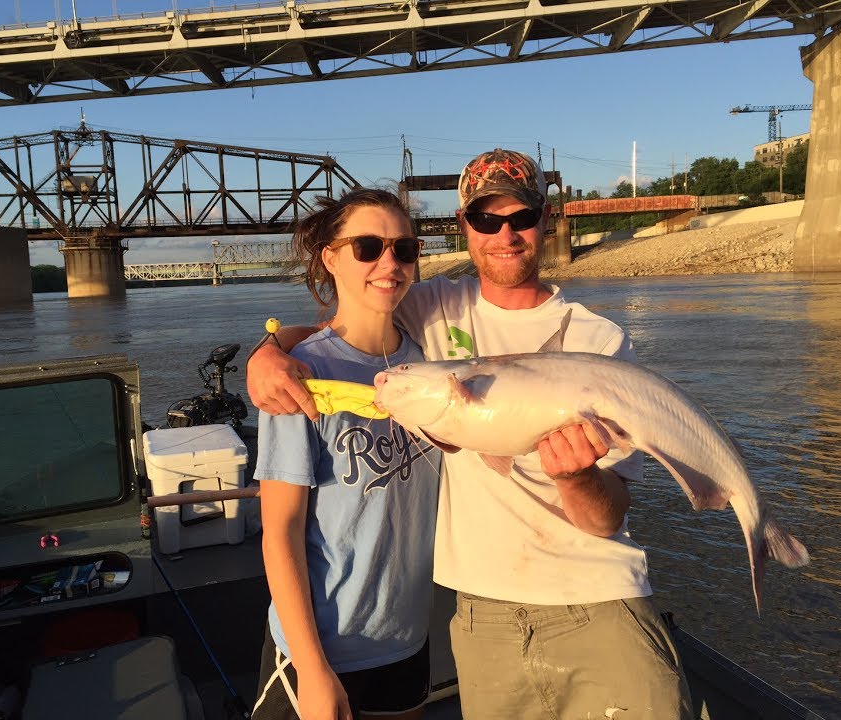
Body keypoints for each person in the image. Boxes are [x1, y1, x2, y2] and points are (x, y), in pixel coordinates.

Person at [247, 149, 694, 720]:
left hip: (579, 601)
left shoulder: (595, 340)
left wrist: (577, 474)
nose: (505, 233)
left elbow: (607, 519)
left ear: (546, 219)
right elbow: (346, 330)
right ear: (465, 227)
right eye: (486, 219)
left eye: (404, 250)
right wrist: (268, 352)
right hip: (453, 624)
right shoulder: (427, 317)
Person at [249, 187, 443, 720]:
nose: (390, 263)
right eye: (367, 247)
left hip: (406, 640)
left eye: (404, 249)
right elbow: (281, 531)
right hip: (322, 649)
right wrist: (312, 670)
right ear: (330, 256)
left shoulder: (430, 364)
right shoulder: (298, 375)